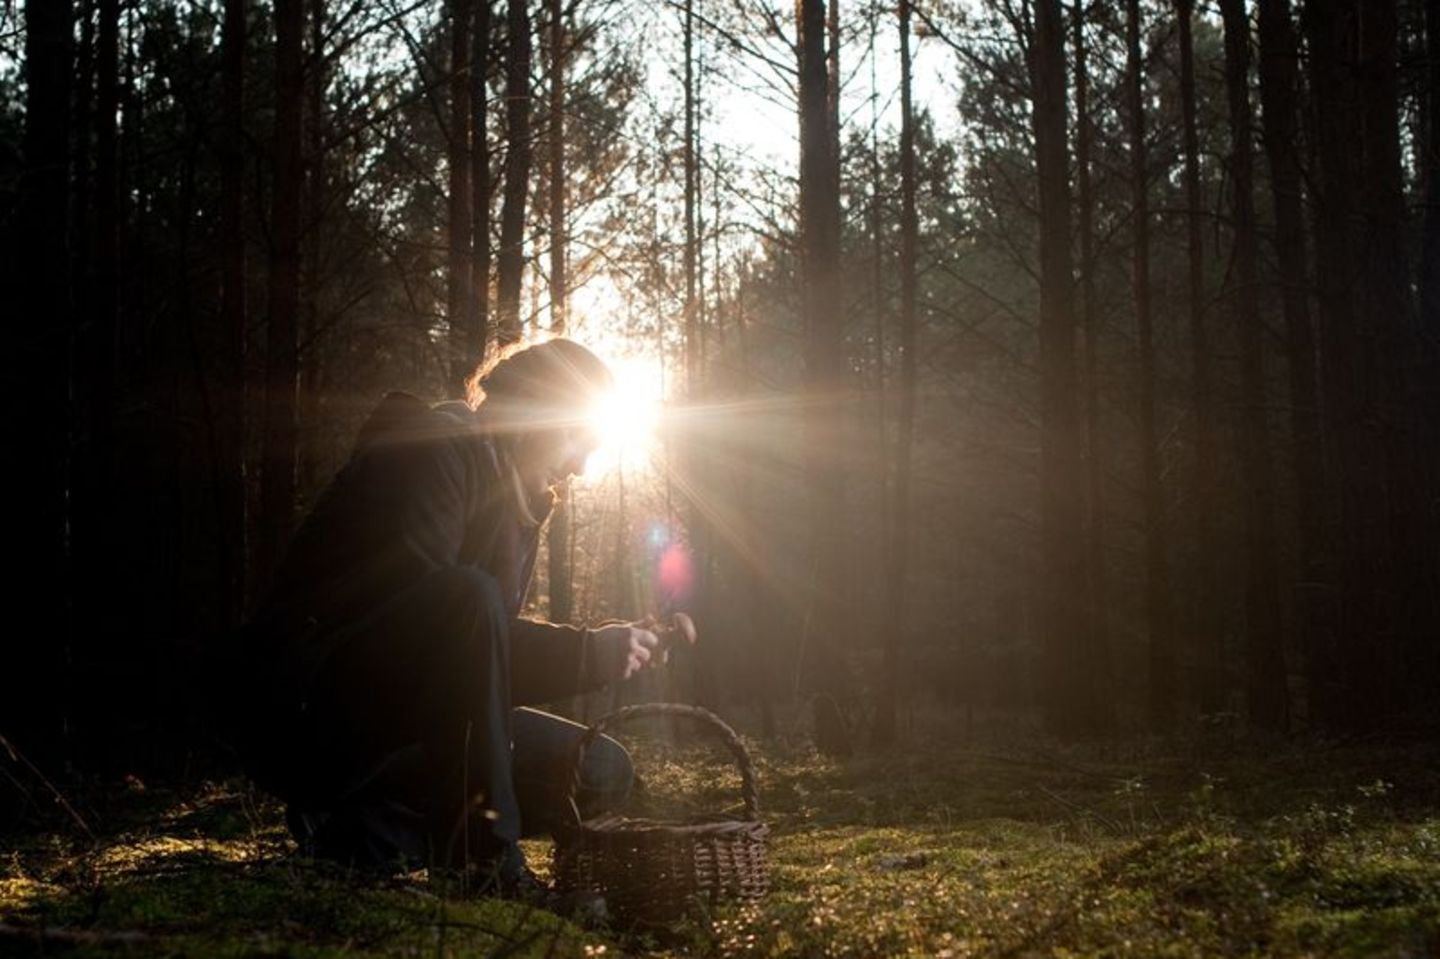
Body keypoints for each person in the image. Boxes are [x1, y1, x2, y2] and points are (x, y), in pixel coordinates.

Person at [234, 338, 668, 895]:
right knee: (466, 595)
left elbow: (482, 659)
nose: (583, 466)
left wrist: (595, 654)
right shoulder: (435, 448)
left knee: (602, 768)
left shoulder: (518, 503)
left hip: (411, 720)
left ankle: (367, 835)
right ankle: (482, 862)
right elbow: (431, 618)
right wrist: (582, 651)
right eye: (578, 439)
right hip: (307, 714)